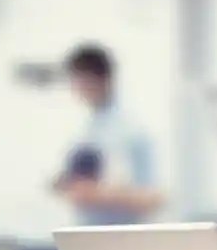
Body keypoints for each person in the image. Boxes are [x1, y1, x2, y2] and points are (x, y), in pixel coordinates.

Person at [53, 43, 162, 225]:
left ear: (102, 79)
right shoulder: (86, 130)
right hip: (86, 236)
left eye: (82, 80)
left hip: (121, 240)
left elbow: (153, 198)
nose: (77, 88)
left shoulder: (132, 129)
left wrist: (96, 194)